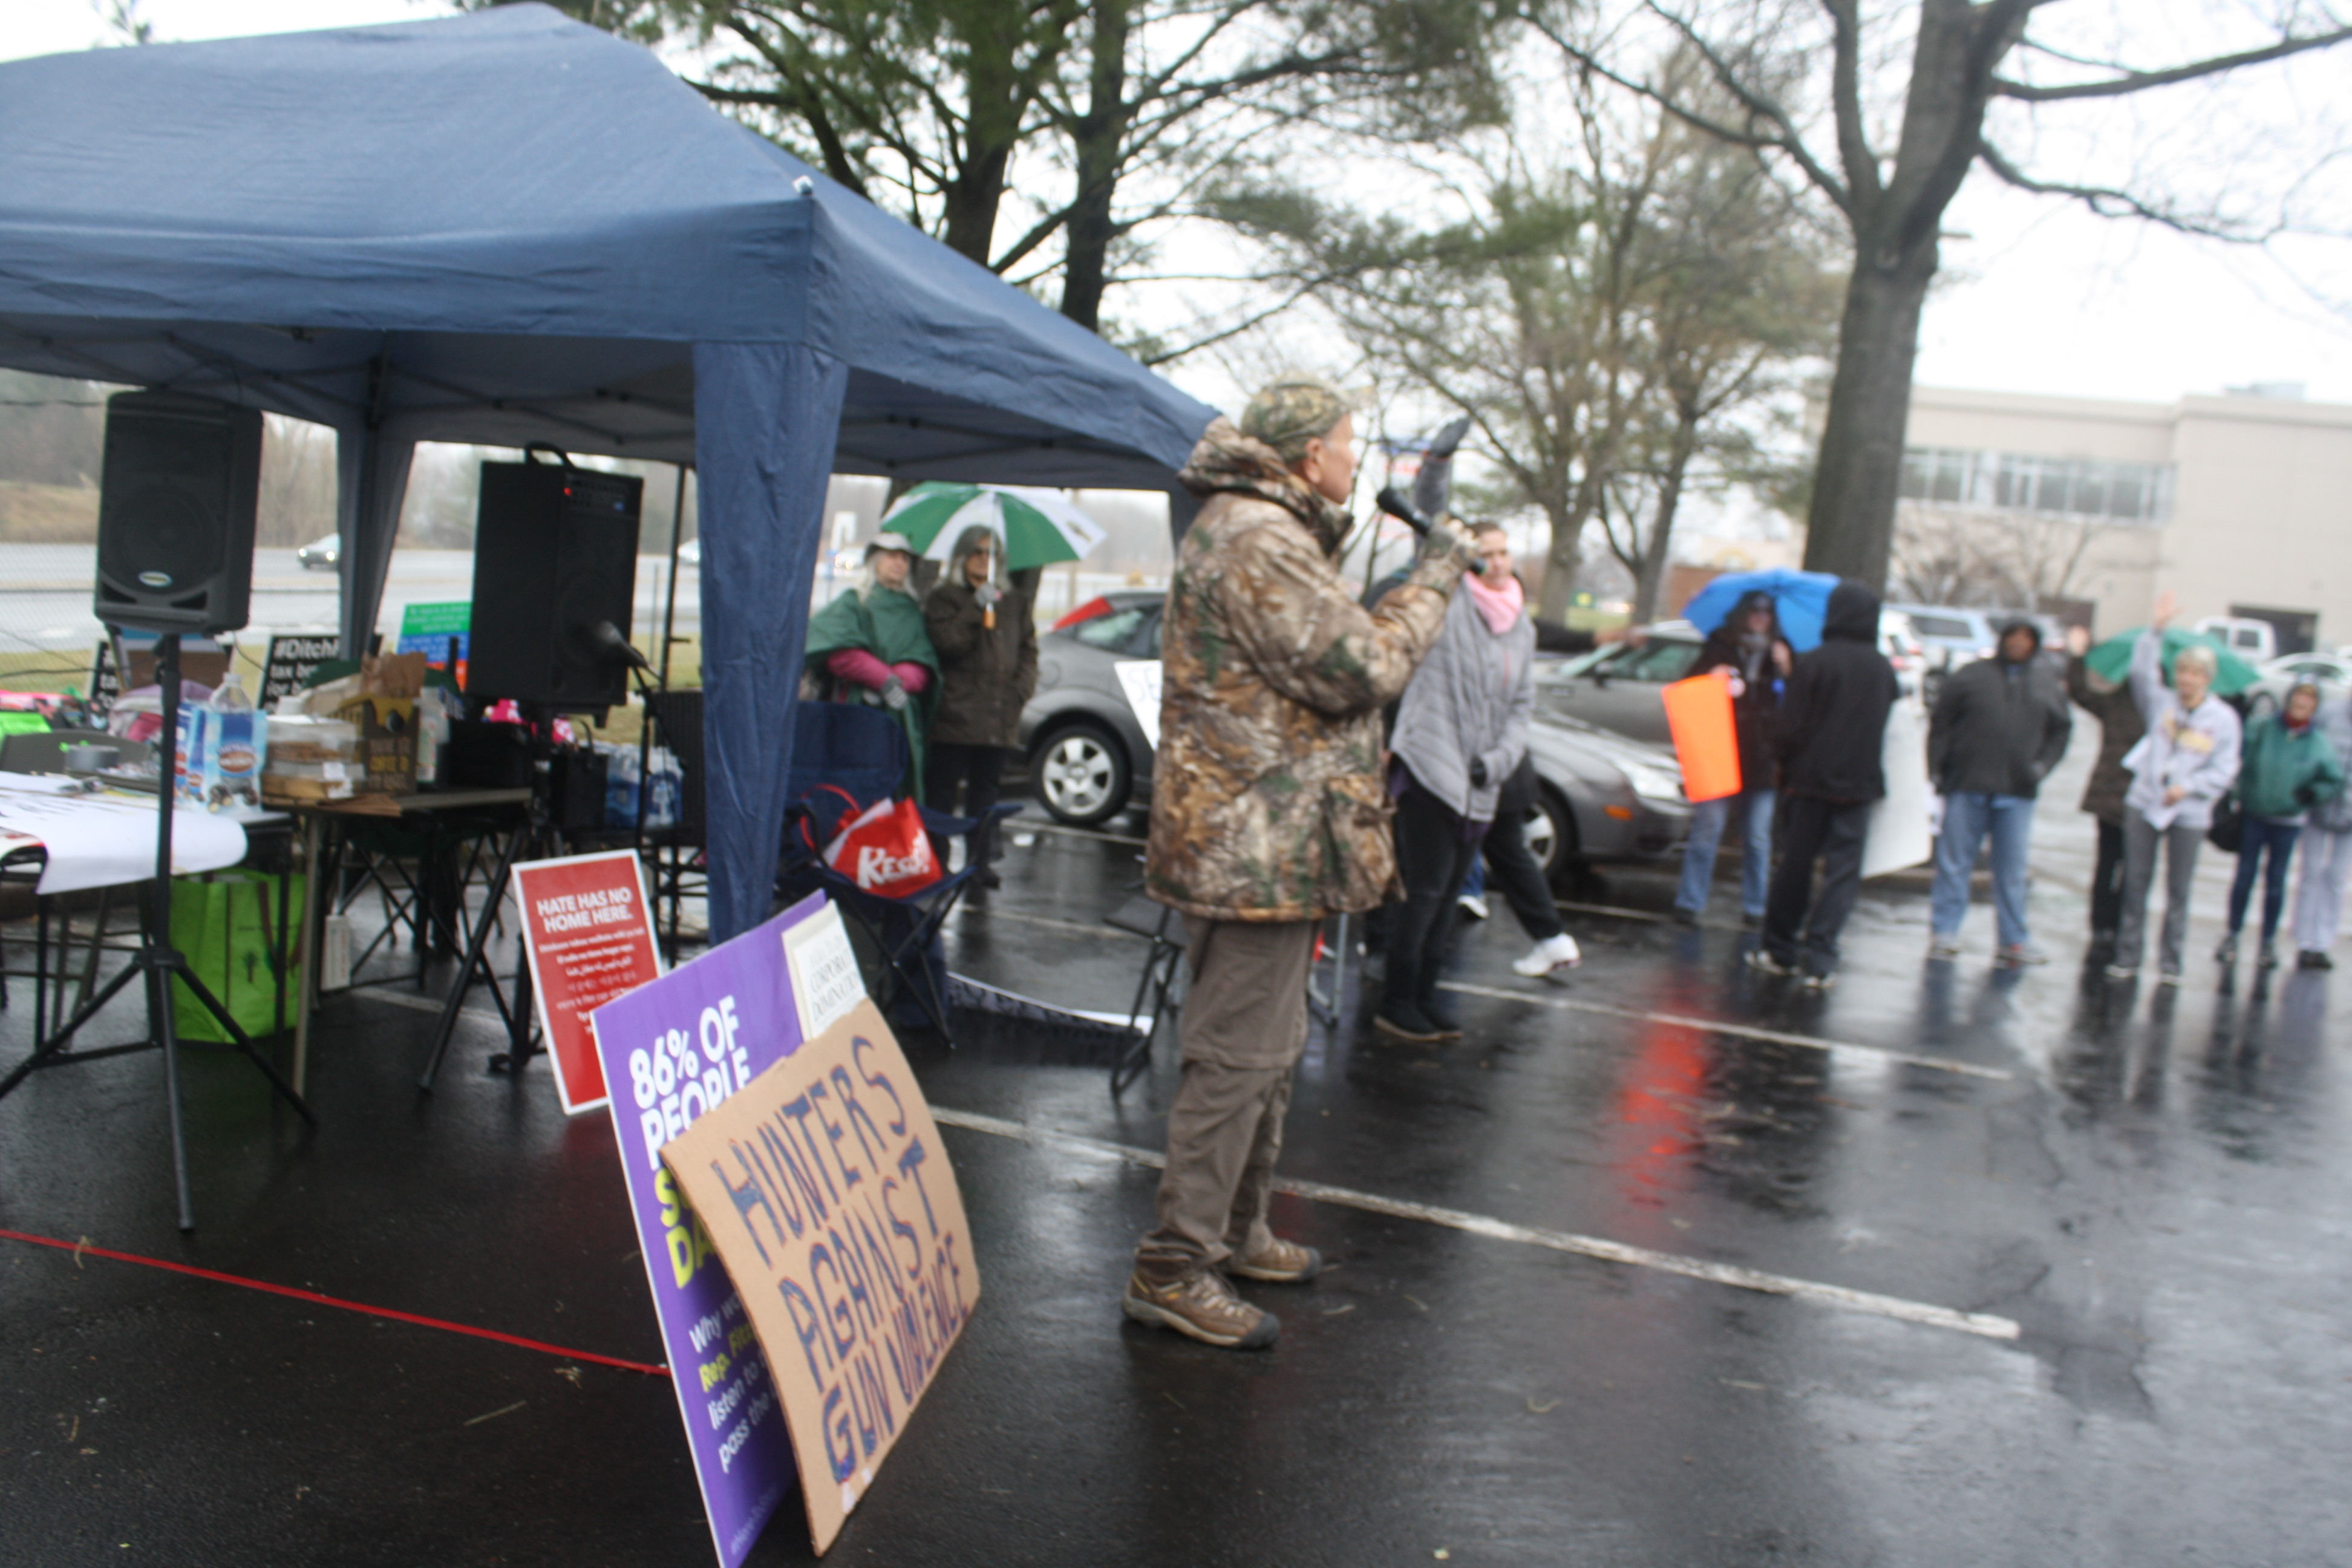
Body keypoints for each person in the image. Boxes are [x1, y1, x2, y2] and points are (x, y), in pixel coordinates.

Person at [1125, 374, 1474, 1350]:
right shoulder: (1256, 538)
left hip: (1277, 843)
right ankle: (1172, 1264)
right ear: (1302, 452)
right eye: (1345, 441)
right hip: (1251, 847)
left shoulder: (1269, 532)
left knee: (1268, 1055)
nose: (1353, 458)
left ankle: (1234, 1231)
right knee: (1235, 1058)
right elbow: (1360, 666)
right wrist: (1435, 572)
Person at [1376, 523, 1547, 1040]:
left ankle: (1426, 996)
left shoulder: (1521, 626)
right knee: (1423, 893)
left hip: (1482, 781)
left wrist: (1497, 761)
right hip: (1431, 769)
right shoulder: (1447, 608)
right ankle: (1396, 1000)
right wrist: (1438, 465)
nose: (1496, 563)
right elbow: (1428, 527)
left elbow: (1522, 708)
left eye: (1503, 552)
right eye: (1484, 555)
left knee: (1450, 898)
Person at [1747, 580, 1899, 990]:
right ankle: (1821, 955)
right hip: (1859, 786)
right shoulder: (1883, 668)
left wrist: (1781, 759)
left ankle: (1780, 948)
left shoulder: (1815, 663)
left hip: (1809, 782)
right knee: (1842, 876)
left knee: (1795, 868)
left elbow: (1789, 727)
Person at [2107, 593, 2241, 984]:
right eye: (2182, 672)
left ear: (2207, 679)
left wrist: (2191, 787)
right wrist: (2157, 630)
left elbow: (2226, 767)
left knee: (2178, 888)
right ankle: (2128, 954)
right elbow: (2140, 674)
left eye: (2195, 675)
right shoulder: (2162, 705)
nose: (2187, 680)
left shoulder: (2223, 719)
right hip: (2146, 802)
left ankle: (2170, 962)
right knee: (2136, 880)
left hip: (2189, 812)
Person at [1925, 618, 2072, 965]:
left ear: (2034, 644)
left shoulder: (2044, 683)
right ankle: (1944, 931)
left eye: (2027, 639)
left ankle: (2013, 939)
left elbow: (2061, 729)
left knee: (2011, 870)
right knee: (1955, 862)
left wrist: (2041, 768)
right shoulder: (1971, 676)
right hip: (1967, 783)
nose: (2019, 644)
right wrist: (1937, 766)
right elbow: (1941, 722)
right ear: (2003, 639)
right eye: (2014, 637)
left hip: (2017, 791)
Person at [923, 524, 1039, 888]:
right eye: (978, 552)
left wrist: (1020, 691)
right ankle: (936, 861)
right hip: (956, 718)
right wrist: (975, 607)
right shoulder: (945, 598)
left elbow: (1028, 650)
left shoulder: (1014, 602)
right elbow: (948, 644)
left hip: (998, 717)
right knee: (942, 793)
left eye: (991, 554)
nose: (984, 560)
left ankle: (980, 861)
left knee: (986, 793)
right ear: (962, 557)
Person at [1674, 589, 1792, 929]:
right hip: (1720, 752)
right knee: (1706, 831)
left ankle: (1756, 907)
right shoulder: (1720, 646)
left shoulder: (1781, 654)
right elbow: (1687, 690)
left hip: (1763, 759)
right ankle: (1690, 902)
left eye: (1767, 612)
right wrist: (1710, 677)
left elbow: (1797, 702)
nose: (1760, 617)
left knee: (1757, 838)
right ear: (1743, 613)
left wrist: (1786, 667)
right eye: (1755, 610)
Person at [2217, 680, 2344, 969]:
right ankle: (2233, 934)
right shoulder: (2264, 729)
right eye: (2299, 697)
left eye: (2309, 700)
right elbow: (2242, 758)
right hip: (2255, 815)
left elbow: (2331, 779)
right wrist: (2238, 795)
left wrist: (2313, 793)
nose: (2303, 704)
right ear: (2289, 699)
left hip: (2287, 821)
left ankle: (2268, 942)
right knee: (2244, 877)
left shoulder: (2317, 743)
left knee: (2276, 882)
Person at [803, 532, 938, 795]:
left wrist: (901, 682)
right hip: (857, 709)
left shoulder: (911, 610)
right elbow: (840, 653)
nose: (899, 563)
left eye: (904, 559)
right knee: (853, 785)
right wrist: (882, 680)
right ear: (875, 561)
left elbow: (922, 658)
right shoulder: (853, 603)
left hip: (900, 714)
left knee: (896, 784)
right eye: (892, 557)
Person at [2062, 624, 2146, 962]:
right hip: (2111, 792)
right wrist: (2078, 657)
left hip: (2144, 798)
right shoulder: (2117, 701)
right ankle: (2102, 926)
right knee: (2109, 863)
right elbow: (2081, 693)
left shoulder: (2166, 709)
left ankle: (2120, 926)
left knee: (2133, 867)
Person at [2293, 687, 2352, 969]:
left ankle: (2323, 941)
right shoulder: (2330, 713)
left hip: (2350, 815)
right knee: (2311, 873)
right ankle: (2305, 941)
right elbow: (2310, 747)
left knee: (2337, 878)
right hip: (2319, 806)